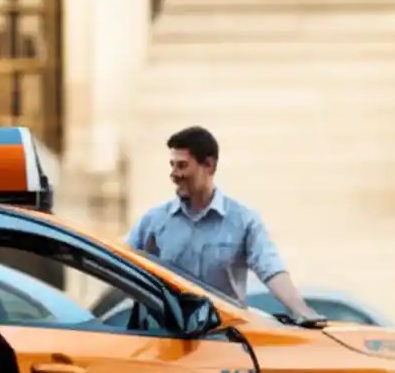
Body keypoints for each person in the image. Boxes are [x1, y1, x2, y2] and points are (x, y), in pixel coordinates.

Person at [125, 125, 319, 321]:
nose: (174, 174)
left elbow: (270, 269)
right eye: (172, 165)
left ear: (209, 165)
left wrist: (303, 312)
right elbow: (120, 265)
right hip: (168, 340)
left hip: (225, 339)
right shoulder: (154, 221)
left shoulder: (243, 220)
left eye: (182, 165)